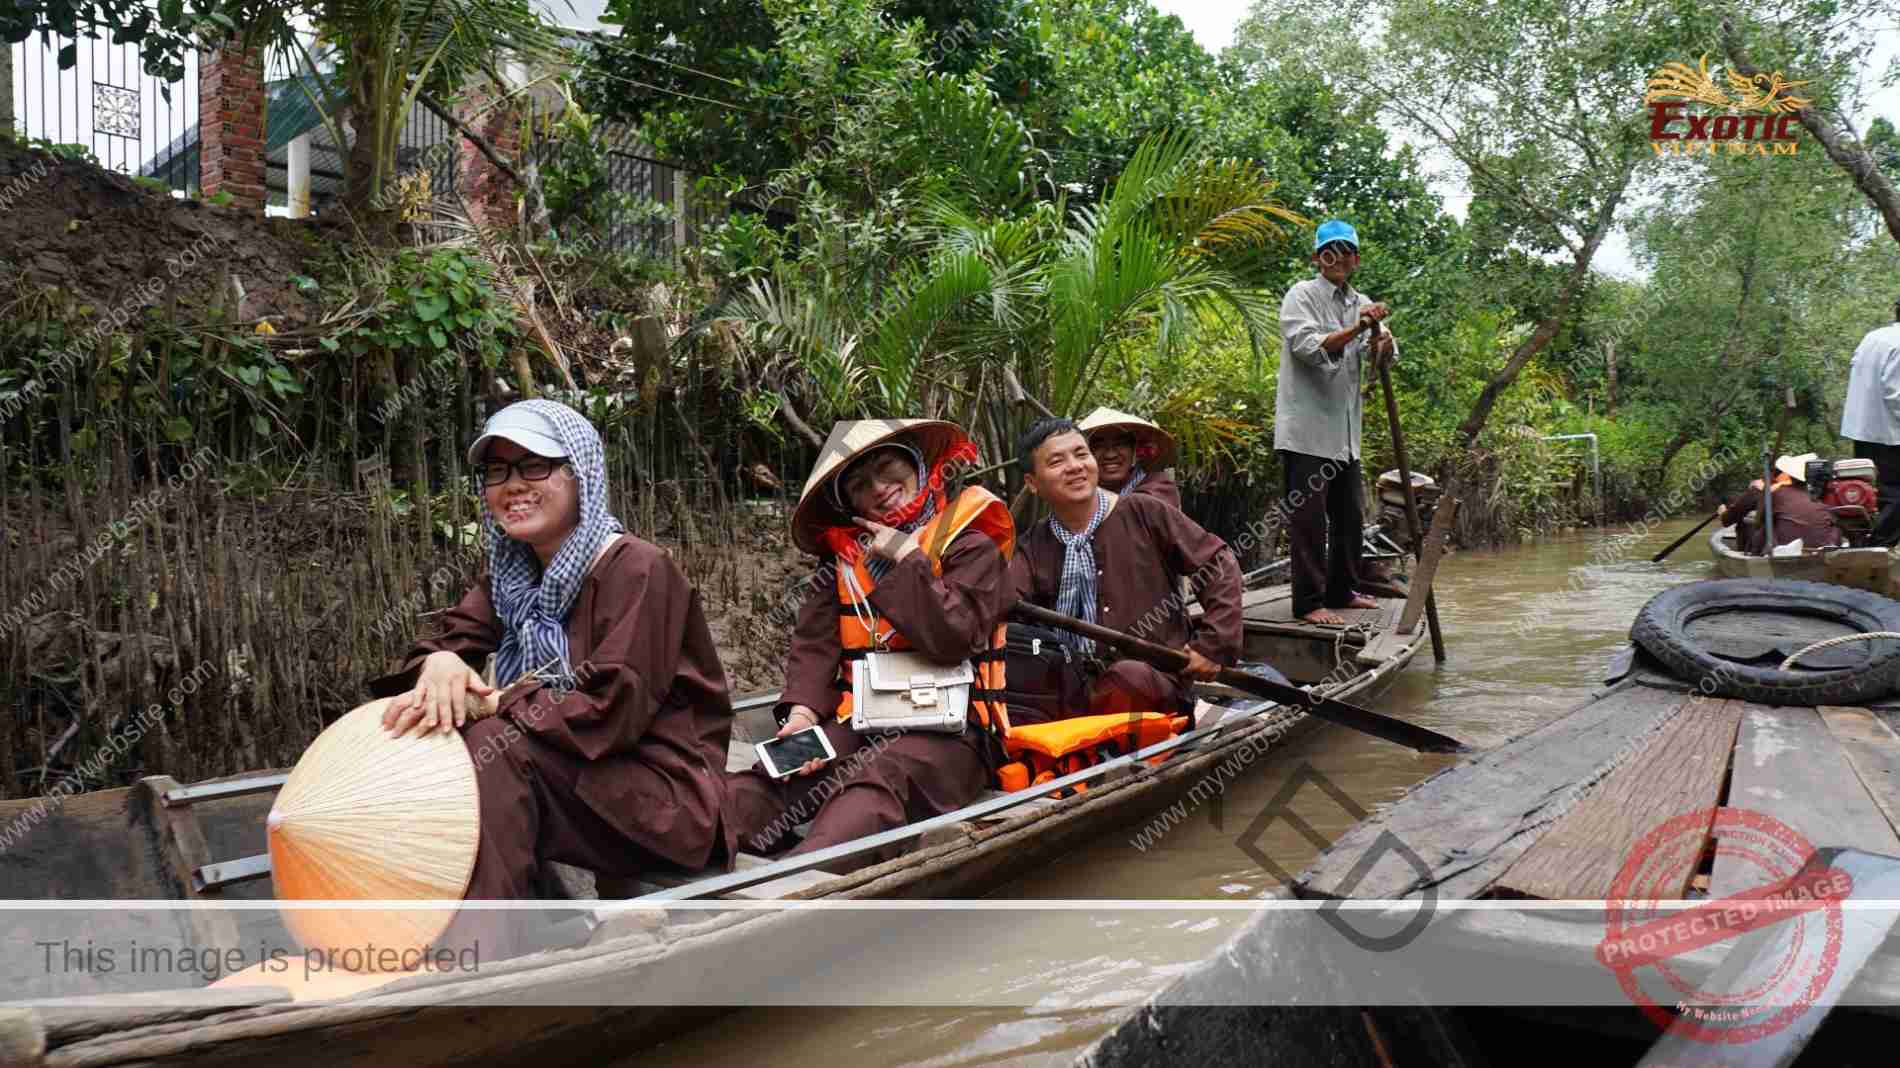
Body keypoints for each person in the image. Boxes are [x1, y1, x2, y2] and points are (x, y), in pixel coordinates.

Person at [367, 400, 735, 950]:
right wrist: (439, 663)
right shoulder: (512, 577)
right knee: (428, 725)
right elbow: (440, 651)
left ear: (580, 474)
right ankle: (410, 932)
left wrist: (498, 702)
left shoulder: (639, 569)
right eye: (497, 471)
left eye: (535, 465)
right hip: (580, 788)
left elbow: (611, 712)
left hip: (664, 803)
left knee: (491, 742)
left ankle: (479, 955)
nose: (513, 485)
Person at [723, 419, 1014, 871]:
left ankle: (798, 879)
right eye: (859, 484)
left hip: (953, 732)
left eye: (888, 467)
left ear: (918, 466)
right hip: (858, 719)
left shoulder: (971, 545)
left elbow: (952, 639)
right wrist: (801, 714)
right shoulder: (841, 562)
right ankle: (694, 843)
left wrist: (907, 558)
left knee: (877, 777)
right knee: (778, 767)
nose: (879, 488)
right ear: (849, 503)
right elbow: (815, 647)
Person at [1011, 418, 1244, 722]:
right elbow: (1006, 609)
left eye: (1081, 454)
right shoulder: (1032, 545)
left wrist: (1213, 645)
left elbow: (1217, 563)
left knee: (1128, 678)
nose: (1075, 467)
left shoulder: (1143, 511)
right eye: (1057, 461)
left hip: (1150, 686)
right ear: (1032, 483)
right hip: (1070, 689)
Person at [1275, 219, 1399, 625]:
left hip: (1346, 434)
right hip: (1307, 433)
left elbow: (1384, 356)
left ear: (1356, 260)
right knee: (1308, 521)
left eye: (1348, 252)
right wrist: (1359, 327)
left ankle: (1342, 591)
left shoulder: (1362, 302)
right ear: (1318, 258)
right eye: (1332, 251)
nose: (1340, 258)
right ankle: (1309, 603)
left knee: (1350, 517)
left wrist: (1381, 340)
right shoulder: (1302, 295)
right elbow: (1310, 349)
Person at [1840, 300, 1900, 546]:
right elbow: (1896, 395)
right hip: (1890, 434)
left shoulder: (1873, 337)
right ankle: (1879, 547)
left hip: (1862, 429)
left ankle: (1861, 541)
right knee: (1894, 494)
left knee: (1865, 491)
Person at [1719, 452, 1842, 554]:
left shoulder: (1769, 491)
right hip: (1815, 549)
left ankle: (1752, 555)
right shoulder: (1817, 493)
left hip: (1783, 550)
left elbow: (1753, 520)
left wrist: (1723, 512)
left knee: (1754, 523)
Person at [1078, 407, 1182, 510]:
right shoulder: (1081, 491)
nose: (1110, 455)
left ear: (1135, 450)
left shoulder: (1158, 486)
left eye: (1120, 444)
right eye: (1099, 446)